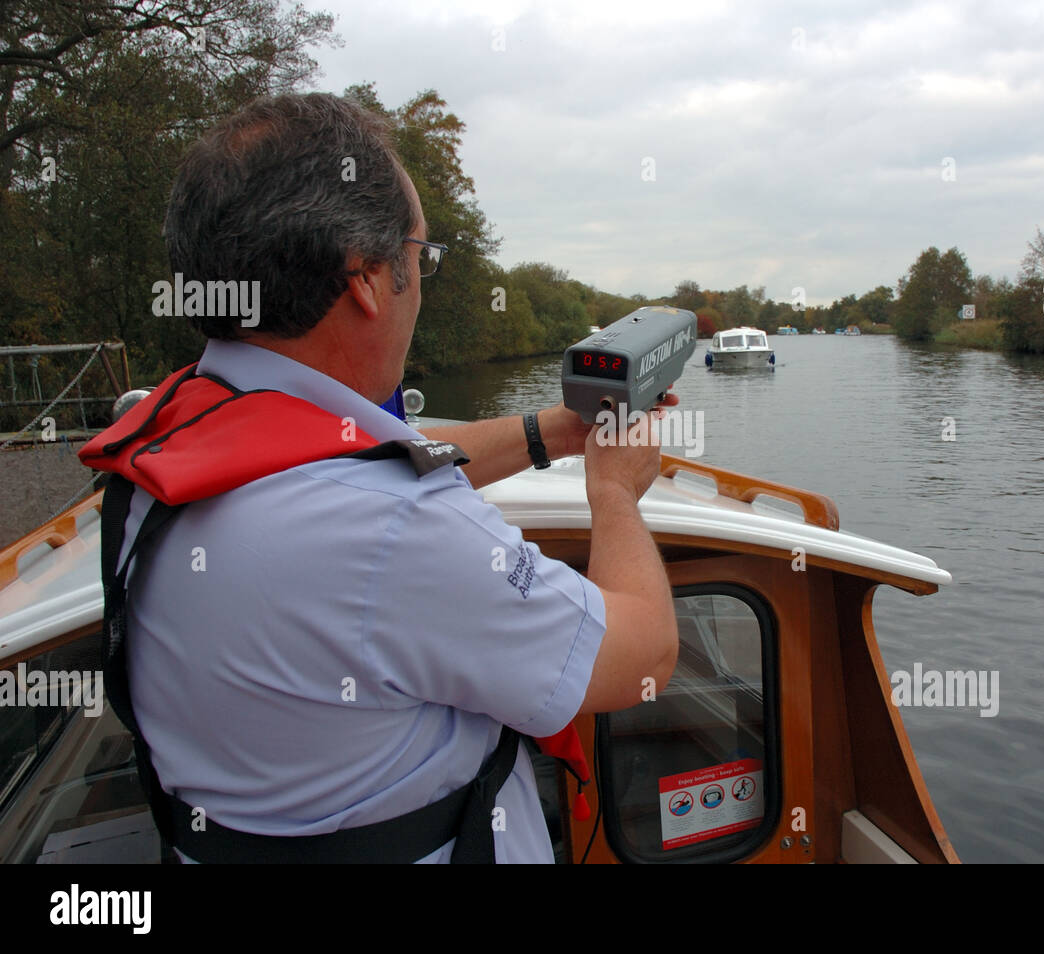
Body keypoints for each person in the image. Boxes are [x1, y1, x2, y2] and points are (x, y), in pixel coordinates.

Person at [79, 92, 678, 862]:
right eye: (420, 257)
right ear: (365, 279)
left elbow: (374, 449)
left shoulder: (181, 426)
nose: (422, 281)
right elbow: (642, 659)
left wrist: (555, 434)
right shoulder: (393, 529)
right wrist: (615, 493)